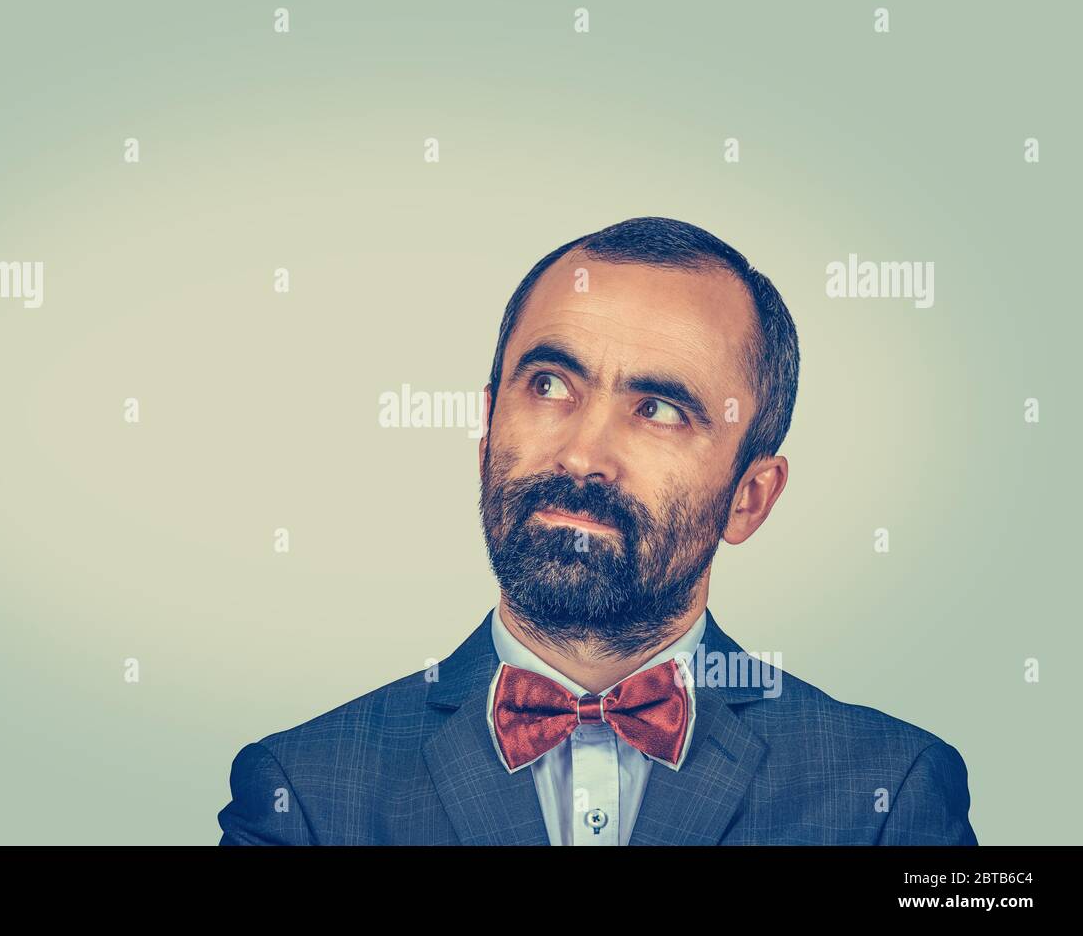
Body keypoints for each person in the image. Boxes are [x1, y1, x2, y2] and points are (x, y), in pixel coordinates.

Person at [217, 216, 977, 845]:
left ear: (750, 497)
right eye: (549, 385)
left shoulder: (890, 794)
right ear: (485, 432)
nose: (582, 454)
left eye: (660, 409)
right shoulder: (304, 793)